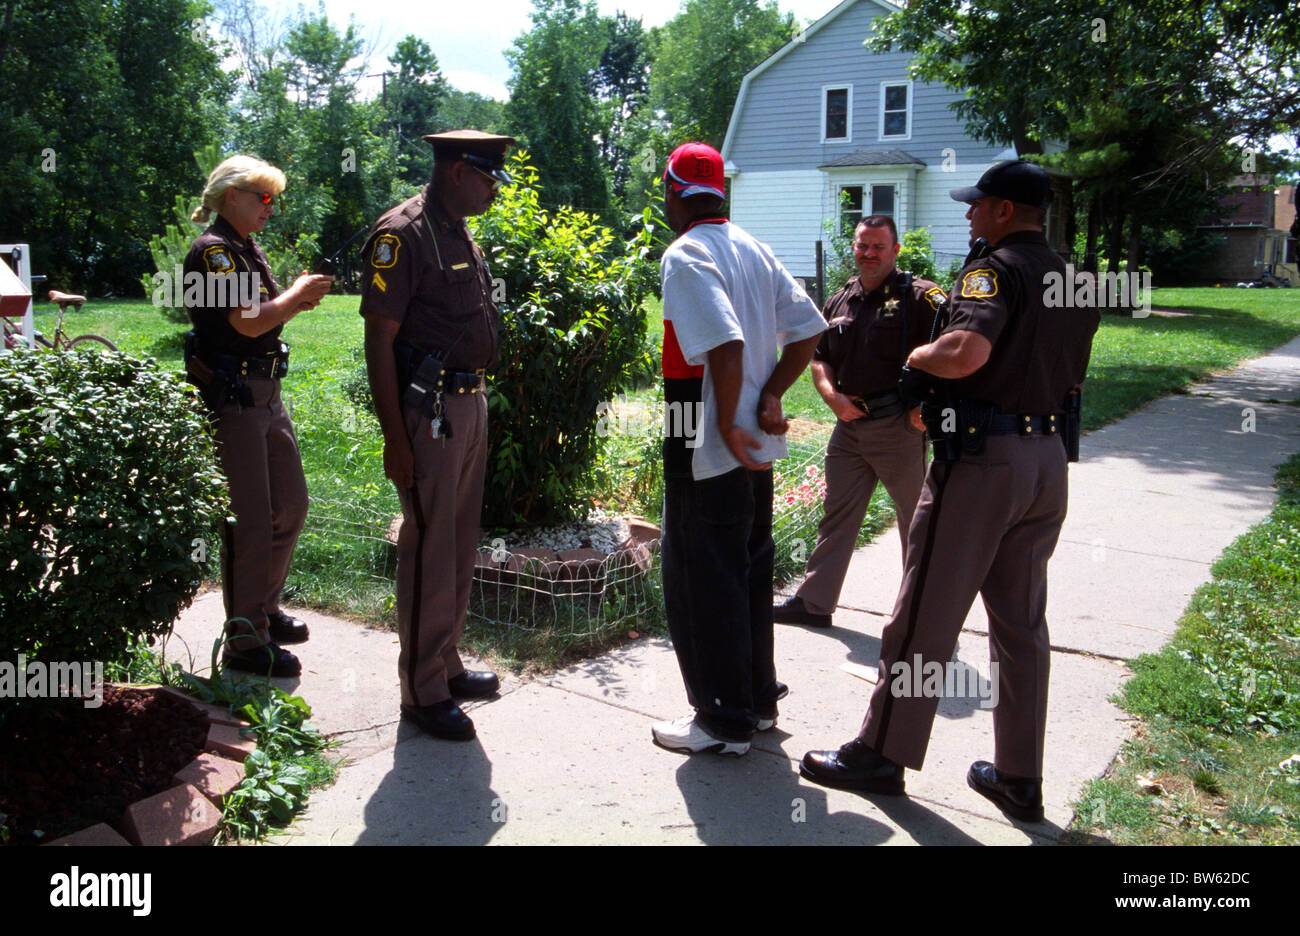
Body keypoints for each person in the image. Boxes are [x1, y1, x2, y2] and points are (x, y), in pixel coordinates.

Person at [800, 159, 1099, 822]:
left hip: (983, 461)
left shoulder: (995, 269)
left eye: (976, 204)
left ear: (1002, 210)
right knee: (1020, 625)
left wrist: (915, 360)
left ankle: (881, 753)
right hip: (1047, 459)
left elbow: (965, 351)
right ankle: (1019, 777)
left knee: (923, 615)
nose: (968, 214)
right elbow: (1070, 373)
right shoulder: (1076, 279)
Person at [651, 141, 827, 756]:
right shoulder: (753, 246)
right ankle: (754, 704)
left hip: (700, 424)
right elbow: (808, 330)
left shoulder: (687, 253)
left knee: (703, 574)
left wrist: (726, 424)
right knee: (747, 568)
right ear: (720, 190)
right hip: (747, 428)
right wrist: (770, 396)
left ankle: (720, 722)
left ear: (675, 193)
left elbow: (723, 345)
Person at [360, 130, 514, 742]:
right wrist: (395, 438)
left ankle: (445, 663)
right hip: (428, 413)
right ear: (457, 172)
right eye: (487, 177)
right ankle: (421, 692)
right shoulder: (403, 234)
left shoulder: (455, 229)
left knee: (457, 540)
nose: (494, 189)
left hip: (467, 403)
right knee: (427, 547)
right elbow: (380, 342)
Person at [183, 155, 334, 677]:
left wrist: (290, 301)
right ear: (231, 195)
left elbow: (264, 316)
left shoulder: (246, 249)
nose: (271, 207)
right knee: (249, 520)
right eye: (262, 197)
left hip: (267, 393)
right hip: (234, 399)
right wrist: (294, 297)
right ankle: (246, 642)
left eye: (274, 198)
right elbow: (248, 323)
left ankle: (265, 609)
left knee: (291, 503)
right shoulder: (214, 255)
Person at [774, 215, 943, 628]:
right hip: (848, 427)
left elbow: (952, 351)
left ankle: (921, 613)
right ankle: (814, 603)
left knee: (915, 520)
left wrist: (928, 407)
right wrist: (831, 397)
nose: (868, 254)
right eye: (862, 246)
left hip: (899, 428)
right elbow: (819, 357)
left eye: (878, 247)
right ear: (853, 247)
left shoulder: (923, 298)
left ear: (895, 250)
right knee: (837, 515)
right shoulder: (839, 300)